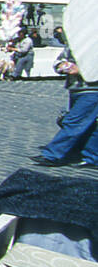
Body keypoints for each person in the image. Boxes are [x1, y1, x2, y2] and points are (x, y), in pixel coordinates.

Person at [33, 38, 98, 169]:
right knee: (90, 124)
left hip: (92, 89)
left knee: (73, 122)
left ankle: (52, 154)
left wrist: (81, 70)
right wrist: (61, 66)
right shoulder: (76, 42)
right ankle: (91, 156)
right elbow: (60, 59)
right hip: (75, 88)